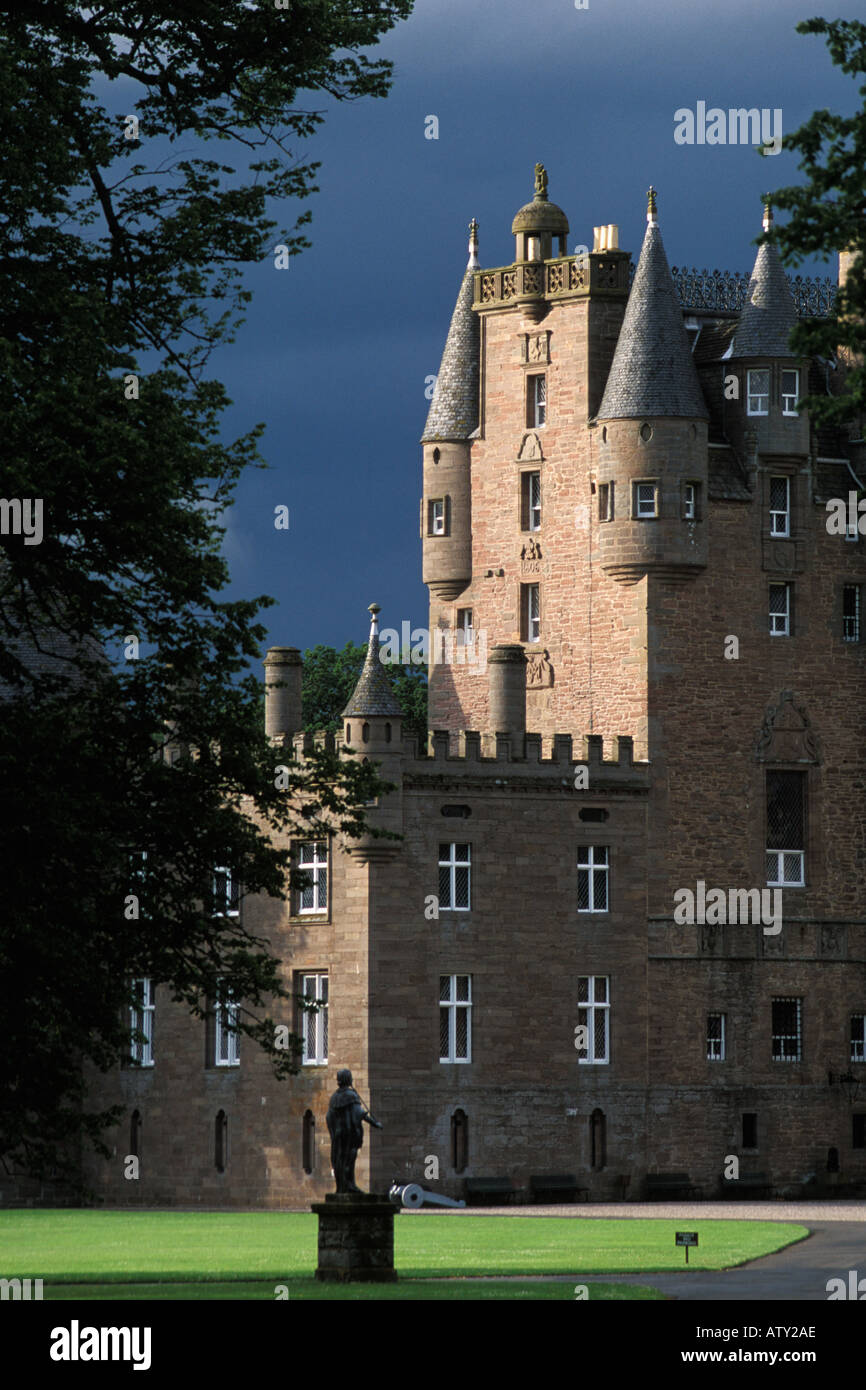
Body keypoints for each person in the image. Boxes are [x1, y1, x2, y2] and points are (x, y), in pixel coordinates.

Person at [325, 1068, 382, 1194]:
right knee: (349, 1160)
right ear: (348, 1079)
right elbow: (360, 1113)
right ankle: (349, 1185)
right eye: (350, 1077)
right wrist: (375, 1123)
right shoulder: (350, 1096)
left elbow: (329, 1117)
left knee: (339, 1160)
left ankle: (342, 1186)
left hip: (338, 1136)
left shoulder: (334, 1097)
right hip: (348, 1135)